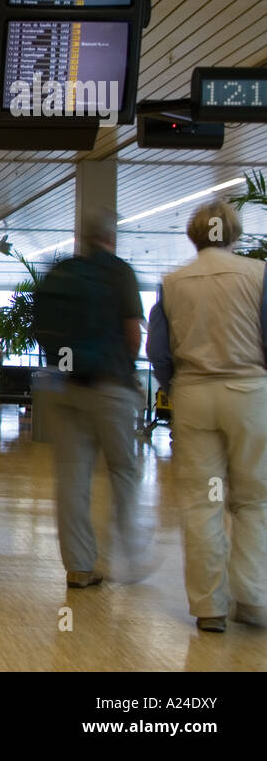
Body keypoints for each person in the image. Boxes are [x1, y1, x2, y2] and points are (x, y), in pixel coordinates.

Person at [147, 200, 267, 632]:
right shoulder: (259, 274)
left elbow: (158, 350)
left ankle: (208, 607)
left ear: (193, 235)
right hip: (251, 394)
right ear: (234, 234)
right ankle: (252, 599)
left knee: (203, 502)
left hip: (194, 394)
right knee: (254, 499)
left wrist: (174, 386)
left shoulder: (172, 282)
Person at [34, 210, 148, 590]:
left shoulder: (59, 273)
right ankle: (130, 549)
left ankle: (79, 567)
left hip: (61, 385)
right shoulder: (119, 272)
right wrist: (122, 367)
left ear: (81, 238)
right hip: (109, 383)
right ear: (110, 238)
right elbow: (133, 335)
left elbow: (42, 332)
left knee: (71, 475)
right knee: (123, 469)